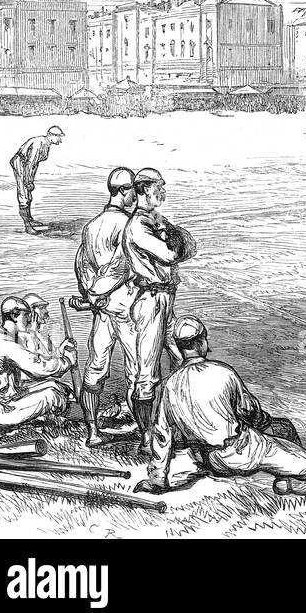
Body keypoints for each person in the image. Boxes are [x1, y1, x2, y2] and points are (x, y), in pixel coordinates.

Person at [134, 317, 306, 518]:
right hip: (245, 449)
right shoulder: (222, 372)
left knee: (277, 439)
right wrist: (265, 427)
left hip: (210, 460)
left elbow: (161, 436)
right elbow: (250, 411)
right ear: (201, 342)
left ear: (179, 347)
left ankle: (289, 482)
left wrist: (157, 479)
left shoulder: (169, 386)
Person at [123, 167, 197, 446]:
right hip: (150, 300)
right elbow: (170, 254)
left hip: (167, 298)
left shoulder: (157, 219)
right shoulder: (138, 225)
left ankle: (186, 421)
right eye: (159, 188)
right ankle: (146, 436)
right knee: (147, 373)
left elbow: (190, 246)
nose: (163, 193)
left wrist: (174, 239)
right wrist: (173, 240)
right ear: (143, 190)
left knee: (182, 359)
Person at [74, 166, 140, 447]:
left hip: (101, 310)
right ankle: (145, 435)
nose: (136, 198)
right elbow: (121, 267)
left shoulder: (91, 226)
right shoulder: (129, 225)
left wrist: (91, 295)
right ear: (123, 191)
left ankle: (93, 433)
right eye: (133, 192)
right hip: (126, 308)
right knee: (138, 371)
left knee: (95, 368)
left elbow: (81, 264)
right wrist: (97, 291)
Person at [0, 296, 77, 431]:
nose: (29, 319)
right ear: (13, 315)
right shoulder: (5, 343)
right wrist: (68, 360)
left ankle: (84, 413)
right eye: (26, 315)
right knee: (52, 395)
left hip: (0, 402)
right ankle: (87, 417)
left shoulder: (2, 336)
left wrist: (60, 354)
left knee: (56, 385)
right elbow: (38, 367)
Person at [9, 125, 64, 233]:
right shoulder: (39, 143)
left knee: (28, 194)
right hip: (20, 164)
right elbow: (29, 163)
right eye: (58, 136)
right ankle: (27, 226)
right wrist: (27, 181)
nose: (60, 140)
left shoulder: (46, 144)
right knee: (24, 195)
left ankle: (29, 219)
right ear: (51, 135)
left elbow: (35, 164)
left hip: (28, 167)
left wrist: (31, 179)